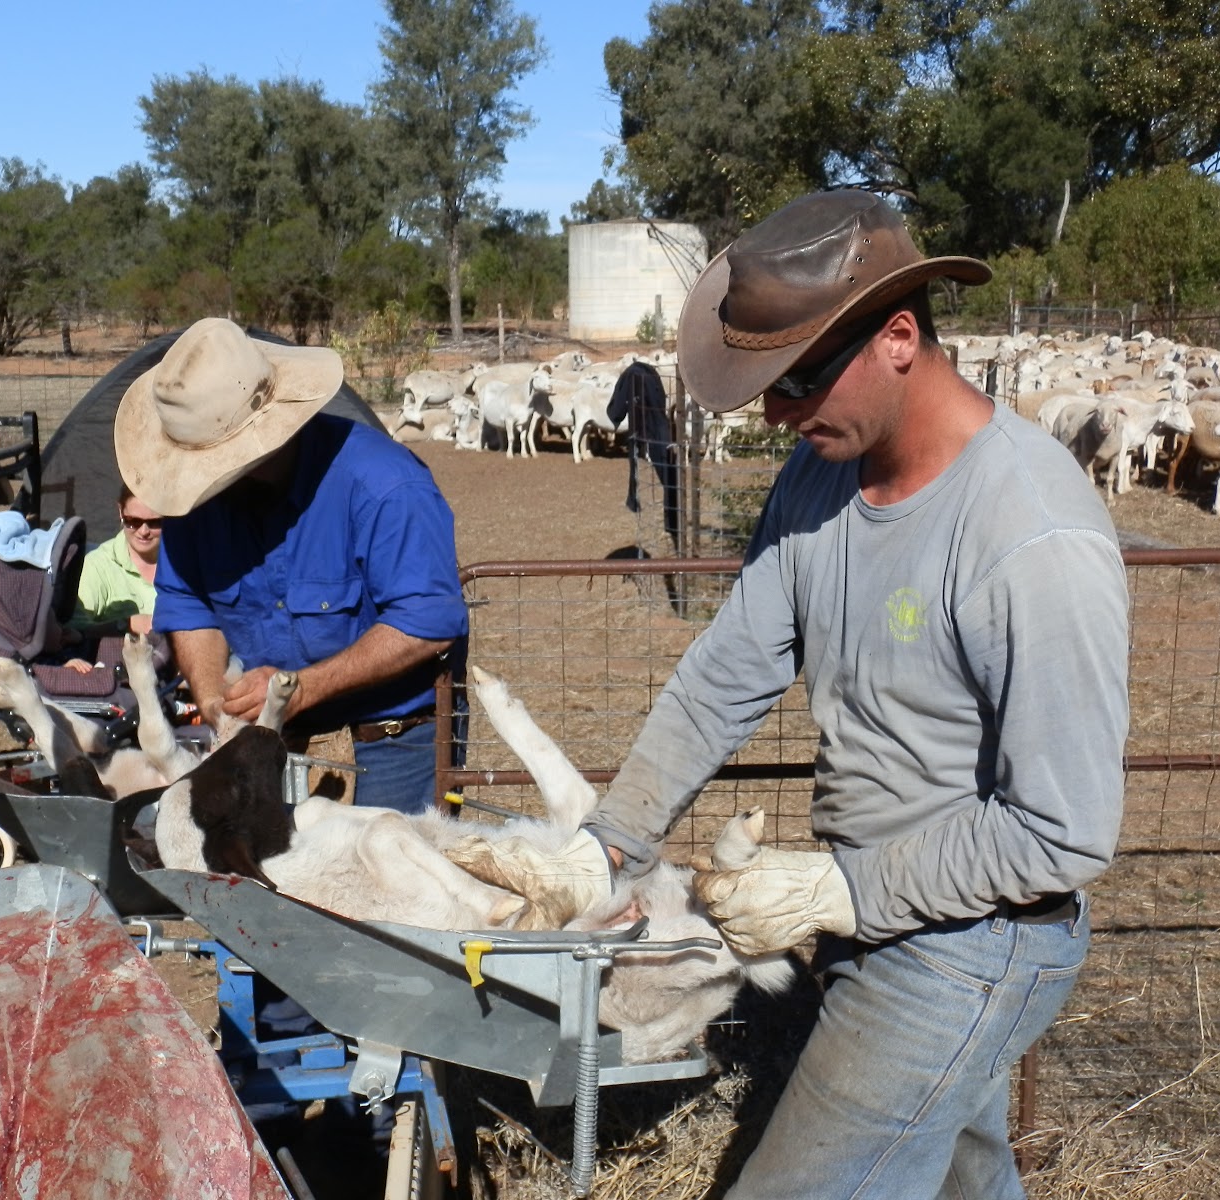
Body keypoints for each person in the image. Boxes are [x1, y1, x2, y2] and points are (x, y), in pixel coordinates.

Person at [453, 190, 1129, 1198]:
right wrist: (606, 844)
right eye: (765, 384)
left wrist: (841, 889)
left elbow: (1064, 831)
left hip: (972, 942)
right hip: (873, 921)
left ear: (900, 338)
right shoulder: (820, 480)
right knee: (958, 1174)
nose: (774, 412)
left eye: (799, 379)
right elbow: (729, 670)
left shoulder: (1030, 539)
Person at [112, 317, 468, 814]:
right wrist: (216, 701)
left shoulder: (385, 486)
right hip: (272, 735)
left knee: (385, 883)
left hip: (392, 738)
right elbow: (189, 602)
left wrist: (300, 689)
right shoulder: (194, 505)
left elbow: (427, 622)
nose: (201, 482)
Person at [67, 484, 162, 639]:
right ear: (120, 512)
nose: (144, 531)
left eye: (154, 523)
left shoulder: (185, 562)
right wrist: (126, 624)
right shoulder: (98, 566)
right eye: (133, 521)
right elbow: (71, 629)